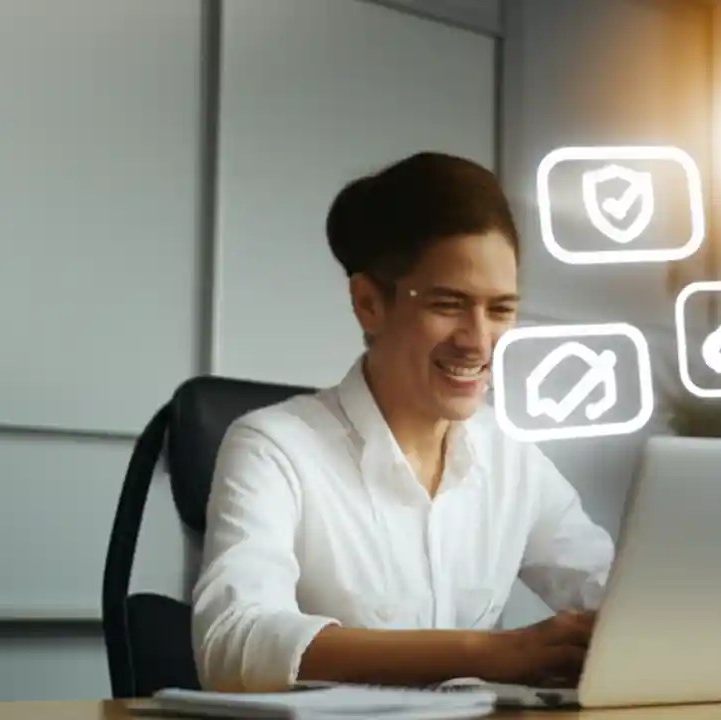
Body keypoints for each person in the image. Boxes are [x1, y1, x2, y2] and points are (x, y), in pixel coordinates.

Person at [191, 152, 615, 693]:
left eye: (501, 310)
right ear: (369, 304)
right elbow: (233, 642)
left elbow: (618, 597)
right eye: (448, 304)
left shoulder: (512, 460)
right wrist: (487, 653)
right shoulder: (274, 447)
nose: (478, 340)